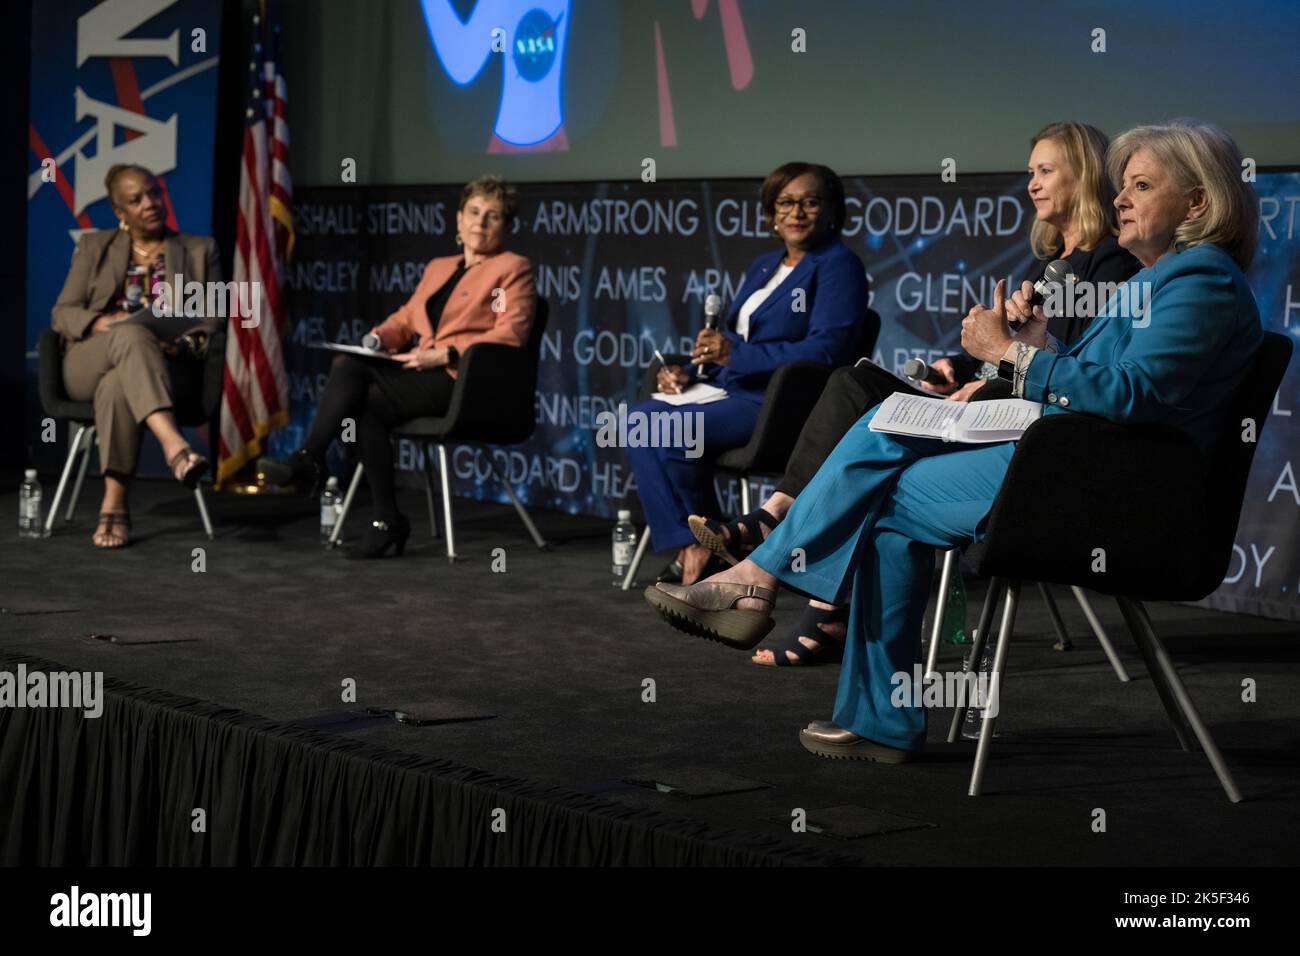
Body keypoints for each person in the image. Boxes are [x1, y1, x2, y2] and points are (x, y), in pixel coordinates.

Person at [646, 119, 1263, 762]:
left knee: (880, 481)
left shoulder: (1202, 280)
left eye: (1141, 185)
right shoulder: (1154, 279)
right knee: (885, 434)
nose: (1121, 200)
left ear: (1197, 201)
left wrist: (1012, 358)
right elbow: (1104, 381)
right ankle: (834, 668)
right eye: (1122, 186)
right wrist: (1035, 346)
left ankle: (762, 581)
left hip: (1111, 494)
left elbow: (1137, 395)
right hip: (1066, 463)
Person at [689, 122, 1139, 665]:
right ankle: (797, 561)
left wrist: (994, 371)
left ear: (1084, 176)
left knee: (873, 448)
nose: (1033, 186)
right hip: (981, 405)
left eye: (1046, 172)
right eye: (1030, 174)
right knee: (854, 385)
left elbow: (1073, 373)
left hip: (1022, 434)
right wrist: (956, 367)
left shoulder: (1109, 265)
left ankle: (797, 567)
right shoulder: (1050, 265)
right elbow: (1016, 348)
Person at [259, 175, 536, 558]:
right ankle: (385, 517)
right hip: (422, 372)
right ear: (458, 219)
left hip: (465, 383)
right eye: (473, 212)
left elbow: (509, 333)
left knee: (348, 371)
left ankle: (310, 459)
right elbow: (407, 319)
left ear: (507, 226)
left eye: (493, 216)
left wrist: (450, 353)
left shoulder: (510, 270)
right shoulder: (440, 267)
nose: (480, 223)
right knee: (363, 400)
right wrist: (377, 339)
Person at [628, 162, 869, 586]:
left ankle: (699, 548)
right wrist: (686, 370)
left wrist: (734, 355)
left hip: (779, 404)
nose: (796, 213)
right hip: (727, 391)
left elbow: (827, 349)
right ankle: (701, 544)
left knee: (655, 427)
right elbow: (730, 339)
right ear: (772, 213)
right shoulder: (764, 265)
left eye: (810, 202)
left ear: (832, 210)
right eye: (786, 203)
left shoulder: (838, 266)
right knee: (641, 421)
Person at [52, 164, 221, 549]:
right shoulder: (94, 248)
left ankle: (114, 504)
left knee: (118, 386)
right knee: (129, 333)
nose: (150, 204)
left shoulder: (199, 250)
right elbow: (62, 313)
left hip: (164, 365)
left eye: (155, 193)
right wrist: (102, 322)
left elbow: (211, 320)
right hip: (89, 362)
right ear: (119, 212)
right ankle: (175, 447)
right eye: (136, 199)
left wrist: (178, 343)